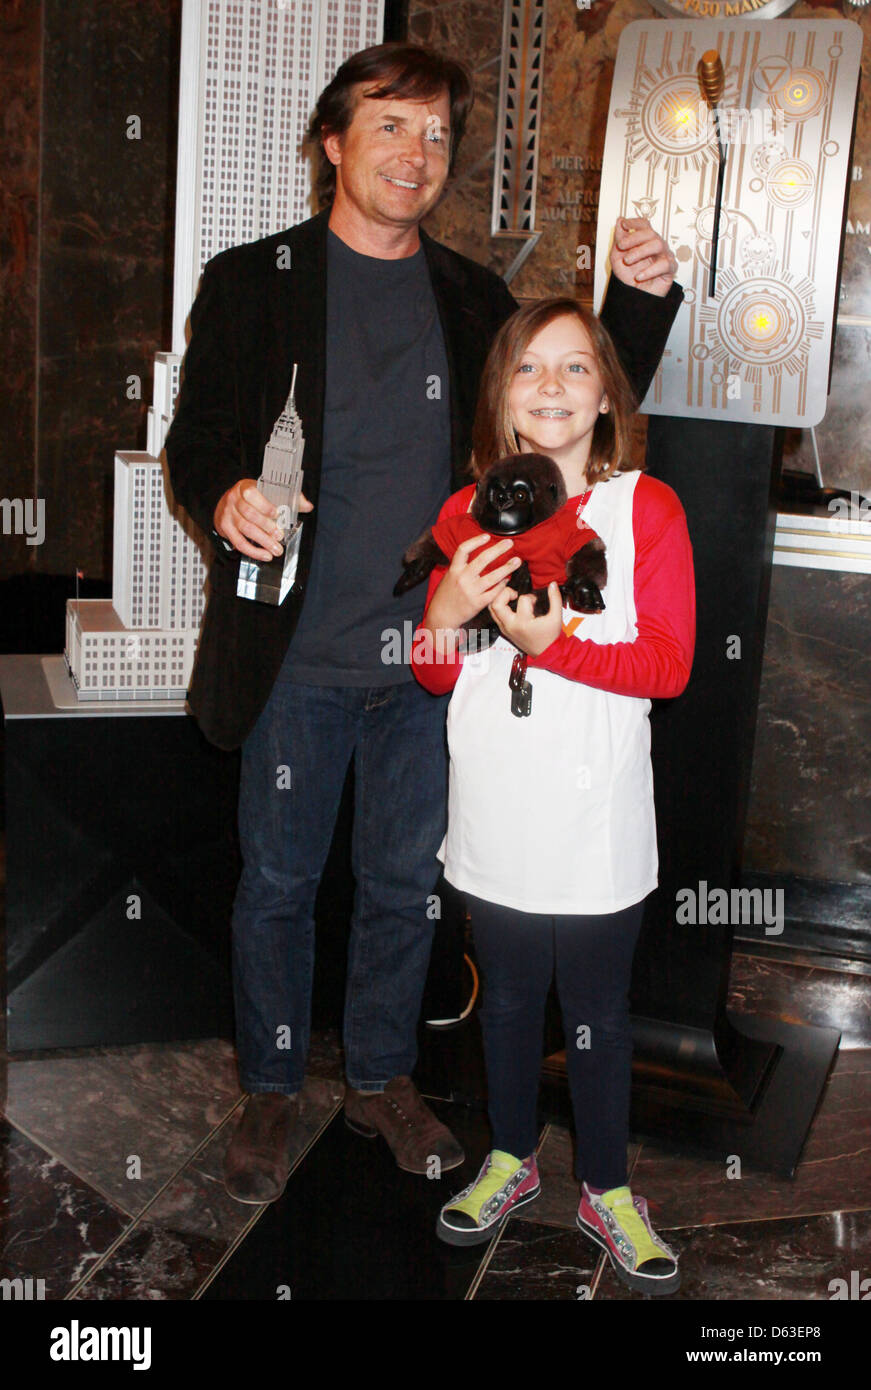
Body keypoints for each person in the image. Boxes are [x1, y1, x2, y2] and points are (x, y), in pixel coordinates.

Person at [164, 41, 683, 1206]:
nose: (417, 152)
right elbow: (196, 443)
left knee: (403, 887)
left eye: (438, 132)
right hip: (294, 654)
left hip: (434, 658)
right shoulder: (253, 281)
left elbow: (564, 403)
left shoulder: (469, 296)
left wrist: (639, 301)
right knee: (277, 883)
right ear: (334, 142)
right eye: (390, 125)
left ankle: (382, 1079)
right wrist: (226, 495)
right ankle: (271, 1085)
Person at [411, 298, 695, 1295]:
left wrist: (555, 645)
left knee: (598, 1015)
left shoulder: (644, 508)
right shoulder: (471, 508)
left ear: (608, 393)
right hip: (495, 801)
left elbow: (668, 665)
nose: (552, 386)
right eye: (529, 367)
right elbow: (435, 673)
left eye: (576, 367)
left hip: (595, 812)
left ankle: (607, 1188)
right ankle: (511, 1157)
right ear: (501, 394)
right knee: (506, 1000)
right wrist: (447, 610)